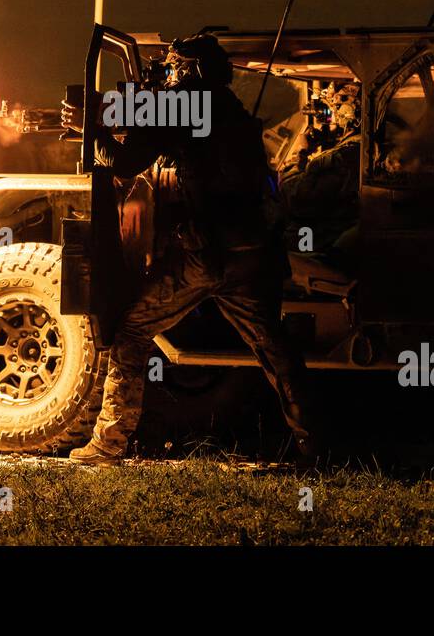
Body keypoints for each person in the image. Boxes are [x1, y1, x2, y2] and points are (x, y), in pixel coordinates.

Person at [62, 34, 316, 466]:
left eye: (174, 67)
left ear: (191, 71)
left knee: (133, 329)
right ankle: (317, 448)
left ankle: (107, 444)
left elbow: (123, 163)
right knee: (277, 352)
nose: (167, 75)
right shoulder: (230, 109)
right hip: (253, 252)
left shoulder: (183, 102)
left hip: (207, 256)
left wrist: (94, 130)